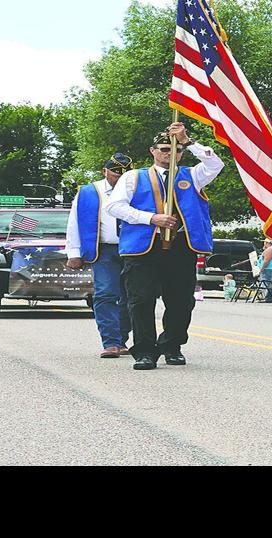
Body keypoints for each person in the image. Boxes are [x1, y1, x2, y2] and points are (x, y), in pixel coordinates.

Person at [105, 122, 225, 371]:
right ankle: (145, 351)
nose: (171, 154)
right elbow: (114, 207)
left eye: (177, 150)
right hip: (144, 247)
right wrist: (150, 218)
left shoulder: (192, 175)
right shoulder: (133, 177)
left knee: (181, 300)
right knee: (141, 299)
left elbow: (216, 164)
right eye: (165, 149)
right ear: (153, 151)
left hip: (181, 246)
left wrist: (189, 141)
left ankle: (172, 345)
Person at [66, 152, 134, 358]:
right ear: (104, 171)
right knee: (106, 294)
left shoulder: (137, 188)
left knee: (132, 296)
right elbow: (75, 222)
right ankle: (111, 342)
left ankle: (122, 338)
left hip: (134, 248)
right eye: (115, 173)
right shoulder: (88, 192)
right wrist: (74, 252)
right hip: (103, 249)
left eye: (124, 173)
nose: (119, 177)